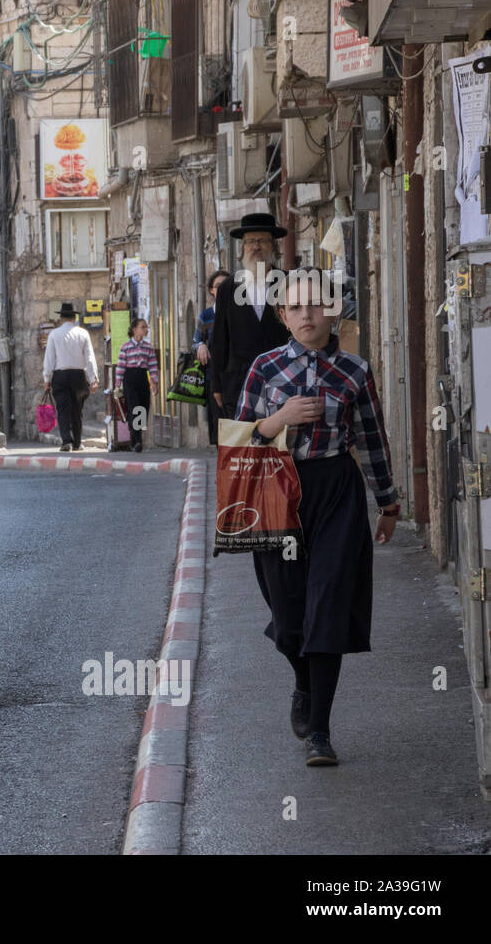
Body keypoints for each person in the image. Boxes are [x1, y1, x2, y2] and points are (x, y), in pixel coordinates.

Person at [234, 267, 399, 767]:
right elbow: (235, 440)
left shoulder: (355, 370)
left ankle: (320, 733)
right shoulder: (263, 368)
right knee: (288, 618)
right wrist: (277, 421)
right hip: (276, 490)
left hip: (335, 492)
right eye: (296, 307)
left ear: (332, 311)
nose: (307, 314)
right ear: (284, 316)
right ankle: (303, 682)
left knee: (327, 605)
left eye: (316, 305)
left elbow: (371, 438)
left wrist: (387, 501)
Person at [210, 213, 291, 419]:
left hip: (282, 379)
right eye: (250, 241)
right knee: (242, 447)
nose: (256, 246)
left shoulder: (289, 283)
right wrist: (217, 384)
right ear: (242, 247)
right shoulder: (229, 287)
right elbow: (220, 338)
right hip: (238, 381)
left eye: (262, 240)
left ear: (273, 246)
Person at [42, 302, 99, 451]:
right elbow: (90, 357)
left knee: (63, 409)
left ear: (61, 318)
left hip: (60, 376)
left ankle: (66, 440)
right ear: (74, 318)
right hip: (79, 376)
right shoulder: (83, 333)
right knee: (77, 409)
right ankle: (77, 442)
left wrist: (46, 379)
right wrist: (93, 379)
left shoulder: (54, 334)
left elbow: (49, 359)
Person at [194, 269, 230, 445]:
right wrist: (200, 345)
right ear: (211, 290)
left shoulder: (238, 313)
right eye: (218, 286)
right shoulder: (206, 316)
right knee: (217, 421)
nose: (222, 289)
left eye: (226, 285)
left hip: (234, 375)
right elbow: (195, 340)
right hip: (212, 376)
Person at [114, 317, 159, 452]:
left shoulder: (148, 347)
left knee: (143, 408)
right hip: (130, 378)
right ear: (134, 330)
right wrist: (117, 384)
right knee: (134, 408)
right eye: (142, 327)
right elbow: (121, 366)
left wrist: (154, 382)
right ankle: (136, 440)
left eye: (146, 327)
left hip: (142, 378)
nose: (145, 329)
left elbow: (152, 365)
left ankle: (136, 438)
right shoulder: (126, 347)